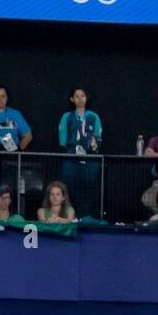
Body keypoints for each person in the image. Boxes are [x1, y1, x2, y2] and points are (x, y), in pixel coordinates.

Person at [58, 86, 102, 218]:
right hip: (71, 155)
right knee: (69, 188)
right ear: (72, 99)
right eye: (76, 96)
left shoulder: (93, 116)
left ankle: (85, 219)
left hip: (90, 157)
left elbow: (98, 136)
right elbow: (62, 139)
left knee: (87, 188)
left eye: (83, 96)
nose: (80, 99)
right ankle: (69, 218)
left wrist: (92, 145)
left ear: (86, 98)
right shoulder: (67, 116)